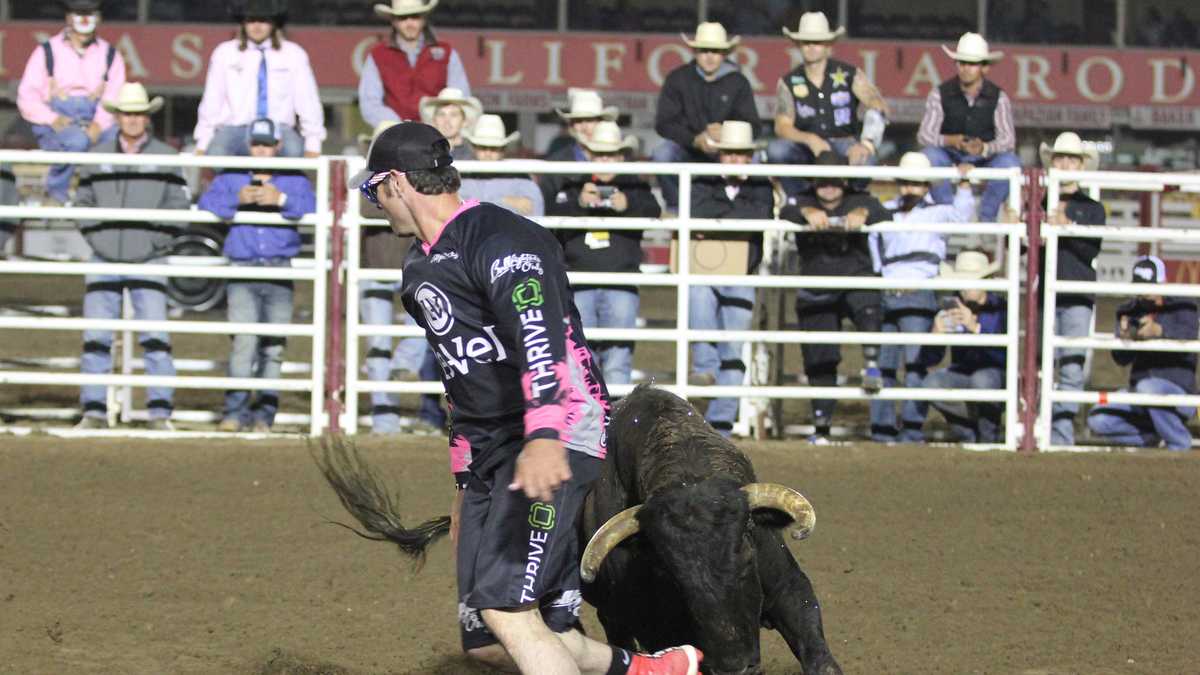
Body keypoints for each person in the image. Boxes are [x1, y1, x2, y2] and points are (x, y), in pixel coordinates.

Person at [346, 121, 702, 675]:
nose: (374, 203)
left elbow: (541, 339)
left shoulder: (502, 239)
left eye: (373, 190)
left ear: (396, 182)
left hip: (553, 430)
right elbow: (458, 378)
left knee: (505, 611)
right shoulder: (420, 266)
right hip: (494, 450)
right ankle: (659, 670)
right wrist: (467, 477)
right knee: (498, 637)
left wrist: (542, 436)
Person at [72, 83, 189, 430]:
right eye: (128, 113)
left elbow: (178, 207)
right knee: (97, 336)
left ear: (146, 117)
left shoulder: (166, 157)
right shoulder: (99, 155)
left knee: (155, 337)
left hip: (148, 258)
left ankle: (159, 412)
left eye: (138, 114)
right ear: (118, 117)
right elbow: (83, 204)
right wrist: (100, 239)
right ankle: (93, 410)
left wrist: (153, 243)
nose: (133, 120)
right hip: (104, 256)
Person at [198, 119, 316, 432]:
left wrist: (280, 200)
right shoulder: (232, 177)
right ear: (249, 145)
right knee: (245, 343)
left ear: (277, 147)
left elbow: (310, 205)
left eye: (266, 145)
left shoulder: (293, 179)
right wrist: (239, 199)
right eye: (256, 144)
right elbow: (206, 202)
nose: (261, 150)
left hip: (276, 268)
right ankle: (236, 411)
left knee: (272, 347)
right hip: (244, 267)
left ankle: (263, 414)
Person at [779, 152, 888, 444]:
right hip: (816, 287)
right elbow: (784, 212)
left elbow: (882, 212)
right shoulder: (800, 200)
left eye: (834, 179)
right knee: (820, 356)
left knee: (868, 303)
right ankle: (821, 426)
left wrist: (863, 215)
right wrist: (805, 213)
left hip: (855, 281)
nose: (828, 186)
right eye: (822, 180)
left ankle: (871, 363)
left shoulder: (861, 200)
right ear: (813, 181)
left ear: (845, 180)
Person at [867, 153, 976, 443]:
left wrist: (964, 185)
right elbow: (874, 243)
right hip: (890, 291)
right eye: (905, 182)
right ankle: (883, 429)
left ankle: (911, 428)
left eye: (915, 183)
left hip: (917, 292)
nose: (909, 188)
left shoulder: (938, 212)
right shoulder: (886, 210)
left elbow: (963, 218)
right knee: (885, 366)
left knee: (915, 364)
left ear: (926, 186)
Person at [548, 121, 661, 387]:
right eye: (599, 155)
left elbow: (653, 211)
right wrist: (579, 203)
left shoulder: (634, 187)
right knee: (580, 355)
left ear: (621, 156)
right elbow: (553, 217)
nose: (605, 160)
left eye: (610, 155)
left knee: (617, 357)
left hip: (620, 281)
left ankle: (614, 422)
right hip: (580, 282)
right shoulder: (573, 186)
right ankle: (590, 423)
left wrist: (627, 205)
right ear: (589, 155)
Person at [356, 121, 444, 435]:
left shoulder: (409, 180)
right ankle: (385, 418)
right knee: (378, 343)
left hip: (408, 266)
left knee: (421, 330)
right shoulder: (369, 181)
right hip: (374, 267)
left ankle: (403, 369)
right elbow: (363, 210)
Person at [687, 121, 773, 437]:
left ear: (749, 157)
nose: (735, 160)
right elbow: (696, 208)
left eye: (741, 154)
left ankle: (719, 427)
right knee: (699, 308)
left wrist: (716, 220)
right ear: (720, 155)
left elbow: (760, 214)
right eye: (730, 154)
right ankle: (704, 370)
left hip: (741, 273)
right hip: (708, 272)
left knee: (734, 351)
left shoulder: (759, 184)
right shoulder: (703, 178)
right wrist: (736, 216)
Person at [767, 11, 888, 197]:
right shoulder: (789, 81)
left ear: (828, 45)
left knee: (867, 160)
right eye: (806, 42)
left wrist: (866, 144)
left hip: (845, 144)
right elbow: (782, 126)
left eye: (817, 42)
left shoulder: (849, 74)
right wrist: (810, 139)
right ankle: (799, 199)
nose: (811, 47)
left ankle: (853, 199)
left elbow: (877, 104)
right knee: (776, 150)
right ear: (798, 44)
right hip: (806, 149)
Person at [16, 0, 126, 203]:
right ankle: (56, 195)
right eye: (78, 12)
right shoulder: (46, 51)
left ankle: (112, 199)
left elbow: (114, 97)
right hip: (55, 126)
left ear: (99, 18)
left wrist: (99, 123)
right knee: (77, 141)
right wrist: (52, 118)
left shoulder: (112, 55)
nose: (85, 18)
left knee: (122, 143)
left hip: (97, 123)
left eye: (90, 13)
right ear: (68, 17)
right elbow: (26, 96)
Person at [1087, 256, 1197, 451]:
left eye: (1148, 285)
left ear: (1162, 283)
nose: (1143, 293)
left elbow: (1189, 334)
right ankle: (1152, 436)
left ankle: (1178, 443)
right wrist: (1124, 338)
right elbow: (1120, 359)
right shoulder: (1130, 310)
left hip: (1177, 392)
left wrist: (1160, 331)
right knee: (1098, 418)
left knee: (1147, 388)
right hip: (1139, 392)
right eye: (1139, 286)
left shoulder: (1183, 304)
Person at [1038, 131, 1106, 447]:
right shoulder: (1038, 202)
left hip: (1076, 294)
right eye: (1061, 158)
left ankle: (1061, 437)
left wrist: (1068, 226)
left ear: (1080, 165)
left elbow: (1090, 250)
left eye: (1071, 159)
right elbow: (1024, 250)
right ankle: (1042, 430)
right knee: (1040, 365)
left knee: (1071, 367)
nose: (1065, 164)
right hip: (1044, 296)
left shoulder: (1092, 208)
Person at [193, 0, 325, 158]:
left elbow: (307, 100)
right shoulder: (225, 53)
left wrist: (313, 142)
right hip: (236, 128)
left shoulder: (293, 54)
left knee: (294, 152)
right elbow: (212, 99)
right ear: (242, 23)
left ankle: (273, 184)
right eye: (250, 20)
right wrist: (203, 141)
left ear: (274, 24)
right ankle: (239, 184)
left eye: (263, 20)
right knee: (216, 153)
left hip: (279, 128)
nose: (256, 26)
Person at [652, 22, 760, 210]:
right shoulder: (677, 78)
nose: (710, 56)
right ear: (695, 52)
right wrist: (694, 139)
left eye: (715, 51)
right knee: (662, 154)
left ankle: (744, 209)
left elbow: (753, 126)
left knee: (756, 160)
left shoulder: (738, 82)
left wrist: (727, 133)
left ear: (724, 54)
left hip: (727, 151)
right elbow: (664, 123)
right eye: (704, 50)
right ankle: (677, 208)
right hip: (687, 148)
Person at [917, 32, 1020, 222]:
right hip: (950, 154)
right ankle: (948, 214)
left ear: (984, 68)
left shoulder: (999, 97)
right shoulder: (940, 93)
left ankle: (986, 217)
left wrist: (985, 148)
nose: (965, 68)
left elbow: (1008, 139)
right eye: (961, 63)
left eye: (971, 64)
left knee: (1010, 163)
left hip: (985, 157)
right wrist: (951, 141)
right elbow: (924, 135)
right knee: (930, 156)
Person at [920, 251, 1007, 443]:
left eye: (970, 282)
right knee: (930, 383)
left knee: (982, 381)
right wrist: (936, 334)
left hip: (994, 375)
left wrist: (974, 328)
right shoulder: (952, 307)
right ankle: (967, 435)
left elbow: (1004, 357)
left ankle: (987, 438)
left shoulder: (1000, 308)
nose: (964, 290)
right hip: (962, 373)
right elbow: (929, 359)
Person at [358, 0, 471, 127]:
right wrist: (399, 127)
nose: (409, 23)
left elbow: (460, 97)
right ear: (393, 21)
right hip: (393, 136)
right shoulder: (377, 56)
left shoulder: (447, 53)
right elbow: (370, 104)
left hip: (437, 135)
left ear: (424, 18)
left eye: (415, 16)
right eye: (403, 18)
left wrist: (437, 124)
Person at [539, 89, 619, 209]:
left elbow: (643, 203)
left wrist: (626, 204)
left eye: (590, 120)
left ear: (601, 122)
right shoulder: (556, 164)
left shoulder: (620, 159)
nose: (584, 127)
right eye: (578, 120)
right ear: (571, 126)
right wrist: (578, 202)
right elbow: (546, 208)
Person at [458, 114, 544, 217]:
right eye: (482, 147)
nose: (488, 153)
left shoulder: (522, 180)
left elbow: (536, 214)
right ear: (474, 148)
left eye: (494, 148)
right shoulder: (460, 178)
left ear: (503, 150)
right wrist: (506, 201)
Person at [418, 86, 483, 160]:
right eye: (441, 114)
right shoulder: (423, 152)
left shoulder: (475, 152)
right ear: (434, 120)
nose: (447, 120)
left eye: (453, 115)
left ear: (465, 121)